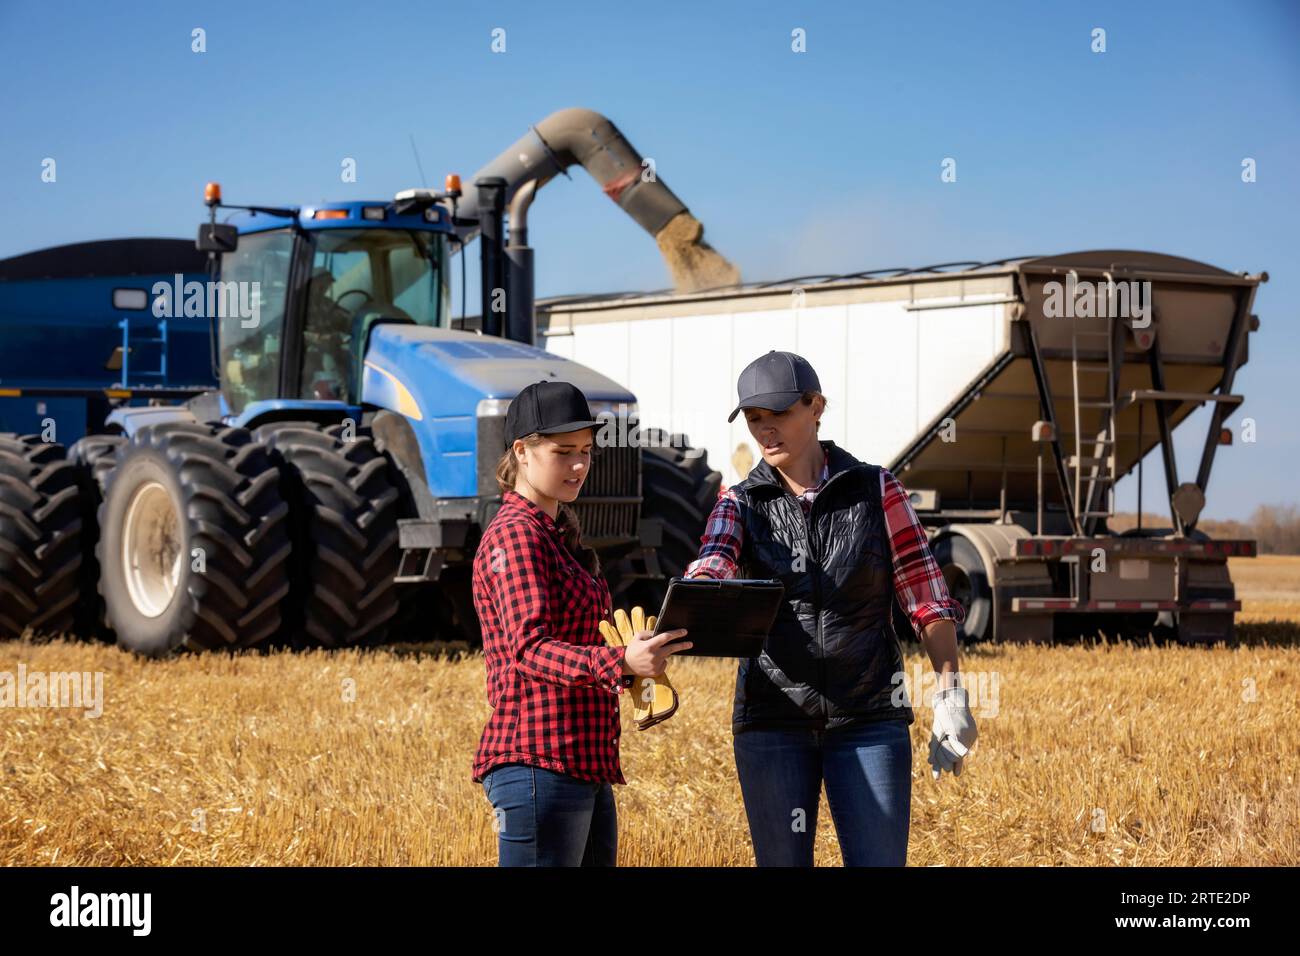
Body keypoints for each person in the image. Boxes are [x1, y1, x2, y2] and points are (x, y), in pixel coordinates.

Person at [684, 350, 978, 866]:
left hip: (869, 720)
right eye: (755, 420)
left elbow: (925, 596)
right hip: (773, 722)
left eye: (778, 416)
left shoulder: (875, 489)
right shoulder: (740, 503)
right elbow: (715, 560)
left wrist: (950, 692)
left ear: (815, 406)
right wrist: (698, 590)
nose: (765, 431)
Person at [471, 380, 691, 866]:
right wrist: (619, 661)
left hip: (580, 762)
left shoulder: (556, 535)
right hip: (537, 760)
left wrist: (634, 657)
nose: (579, 465)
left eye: (586, 452)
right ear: (522, 452)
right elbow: (528, 650)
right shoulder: (515, 536)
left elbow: (572, 641)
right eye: (563, 451)